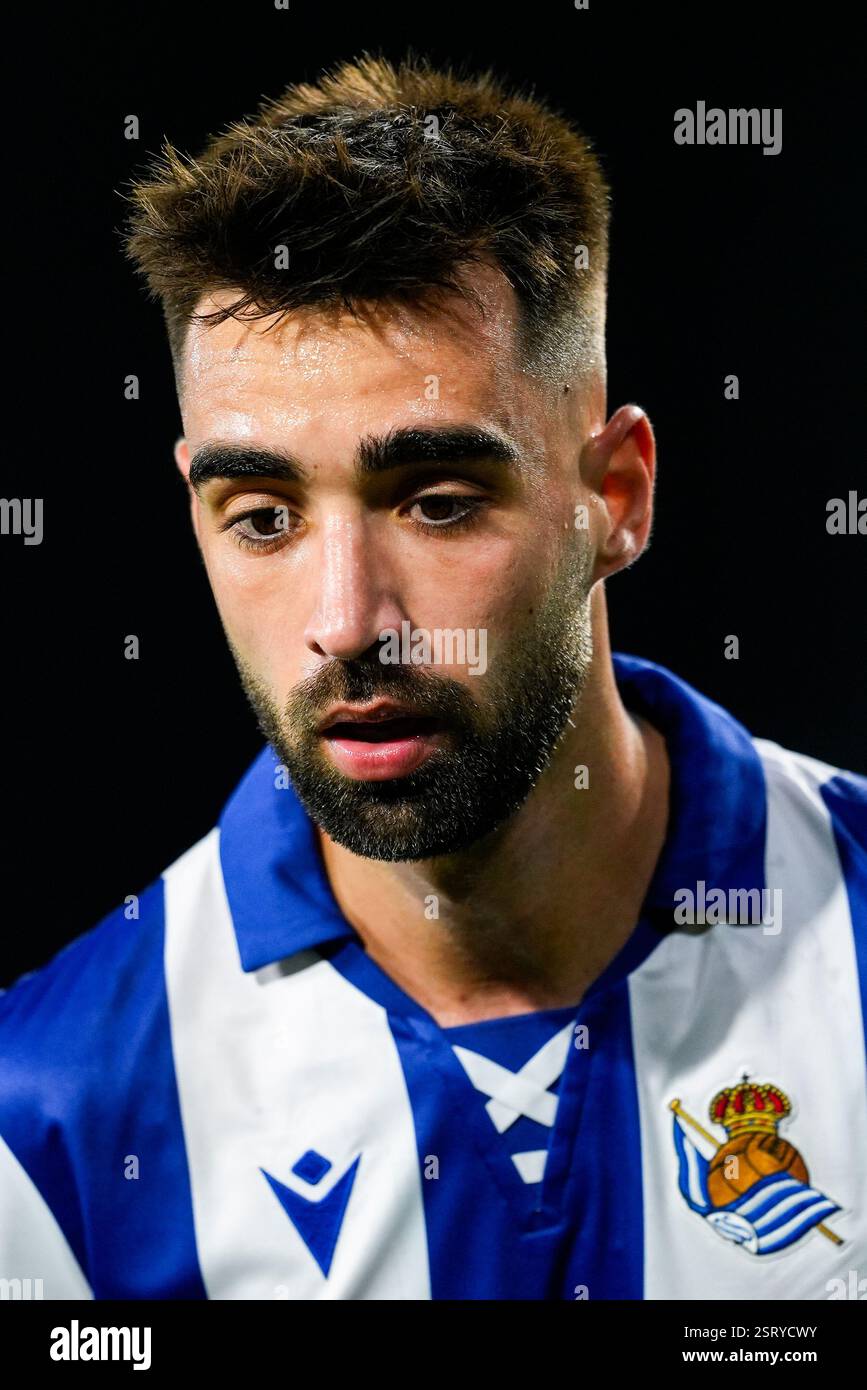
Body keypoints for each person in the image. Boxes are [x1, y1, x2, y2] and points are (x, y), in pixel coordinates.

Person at [1, 53, 864, 1302]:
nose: (346, 623)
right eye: (261, 516)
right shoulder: (51, 1123)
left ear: (613, 498)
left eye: (439, 502)